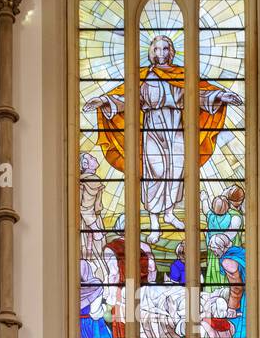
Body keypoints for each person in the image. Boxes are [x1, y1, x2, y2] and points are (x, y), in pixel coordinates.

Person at [83, 35, 241, 238]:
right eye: (157, 49)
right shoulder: (144, 76)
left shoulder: (181, 75)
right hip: (152, 128)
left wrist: (220, 96)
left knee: (176, 170)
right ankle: (154, 221)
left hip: (176, 126)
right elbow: (128, 99)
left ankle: (169, 213)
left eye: (165, 49)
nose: (161, 53)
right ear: (152, 52)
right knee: (155, 173)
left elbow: (196, 95)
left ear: (171, 51)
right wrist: (103, 100)